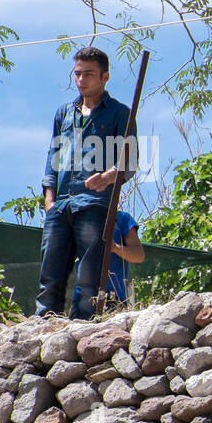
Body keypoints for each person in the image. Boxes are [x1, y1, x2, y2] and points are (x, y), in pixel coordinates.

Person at [37, 46, 138, 320]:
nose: (81, 80)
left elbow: (129, 163)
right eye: (78, 74)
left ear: (105, 77)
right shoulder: (63, 114)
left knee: (89, 276)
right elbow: (53, 156)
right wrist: (49, 198)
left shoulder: (120, 114)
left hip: (94, 204)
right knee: (50, 270)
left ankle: (82, 325)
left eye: (89, 74)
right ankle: (45, 323)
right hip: (60, 204)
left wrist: (107, 177)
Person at [72, 208, 144, 312]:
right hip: (82, 296)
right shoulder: (78, 218)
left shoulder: (122, 219)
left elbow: (139, 255)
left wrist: (115, 248)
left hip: (114, 297)